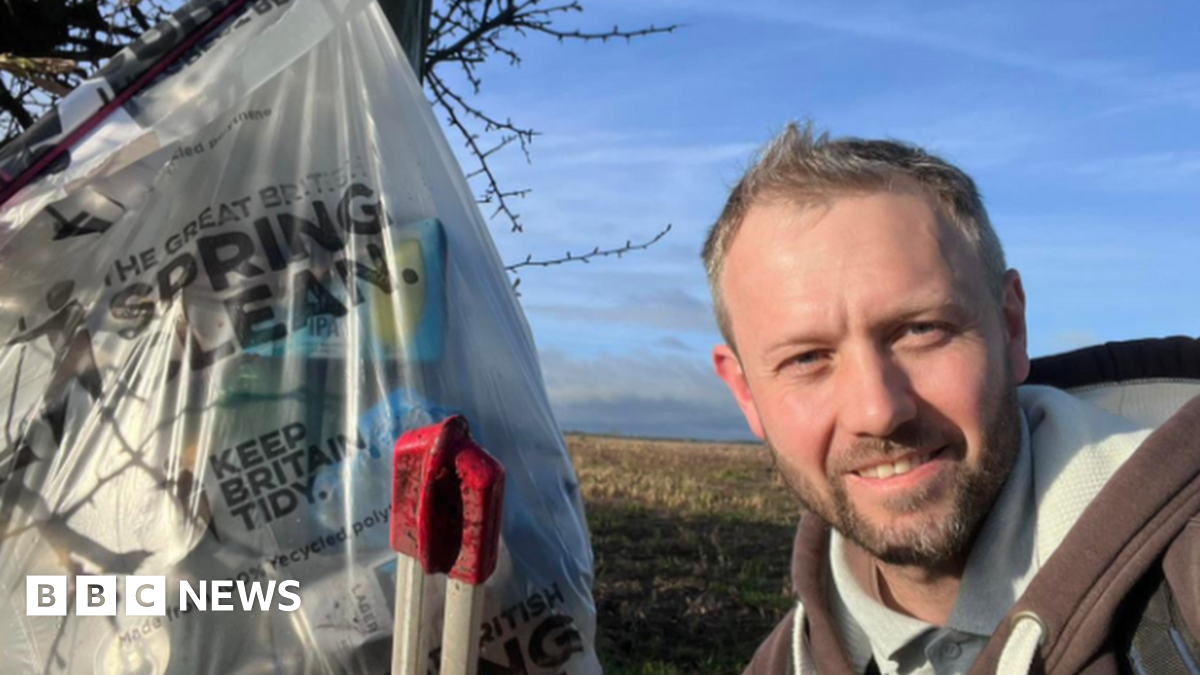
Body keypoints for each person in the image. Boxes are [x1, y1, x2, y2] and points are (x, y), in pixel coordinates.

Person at [702, 122, 1200, 675]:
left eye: (920, 331)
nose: (878, 410)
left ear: (1012, 327)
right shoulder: (783, 665)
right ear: (745, 391)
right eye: (806, 359)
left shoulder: (1186, 578)